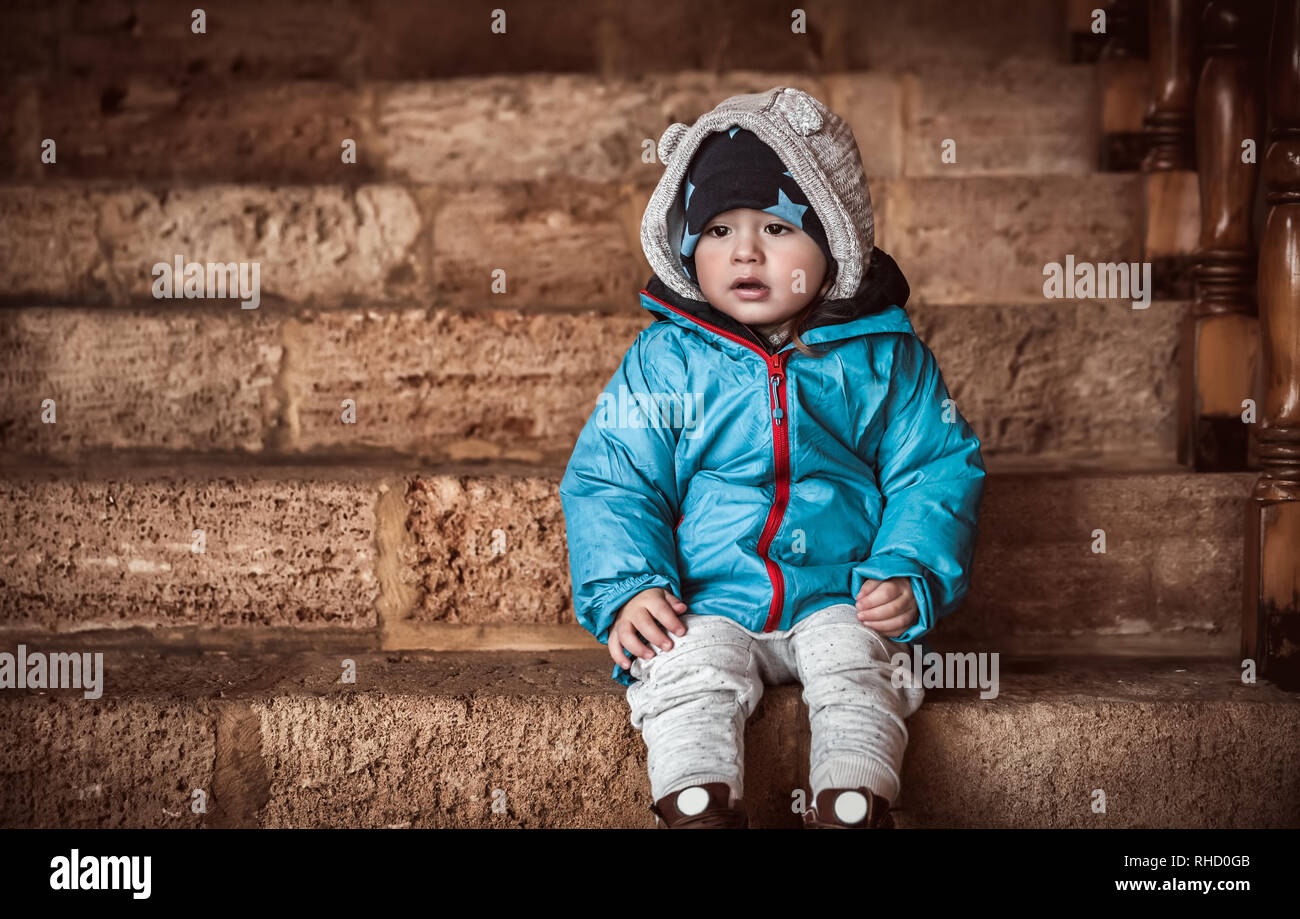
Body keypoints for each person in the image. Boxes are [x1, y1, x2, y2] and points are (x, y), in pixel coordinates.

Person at [559, 87, 986, 829]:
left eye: (778, 226)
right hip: (708, 596)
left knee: (860, 672)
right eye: (719, 228)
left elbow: (934, 470)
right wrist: (628, 586)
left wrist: (910, 570)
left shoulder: (886, 358)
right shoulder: (667, 361)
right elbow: (612, 477)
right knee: (688, 673)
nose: (745, 251)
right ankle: (697, 799)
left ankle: (853, 798)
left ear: (837, 242)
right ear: (690, 246)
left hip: (842, 590)